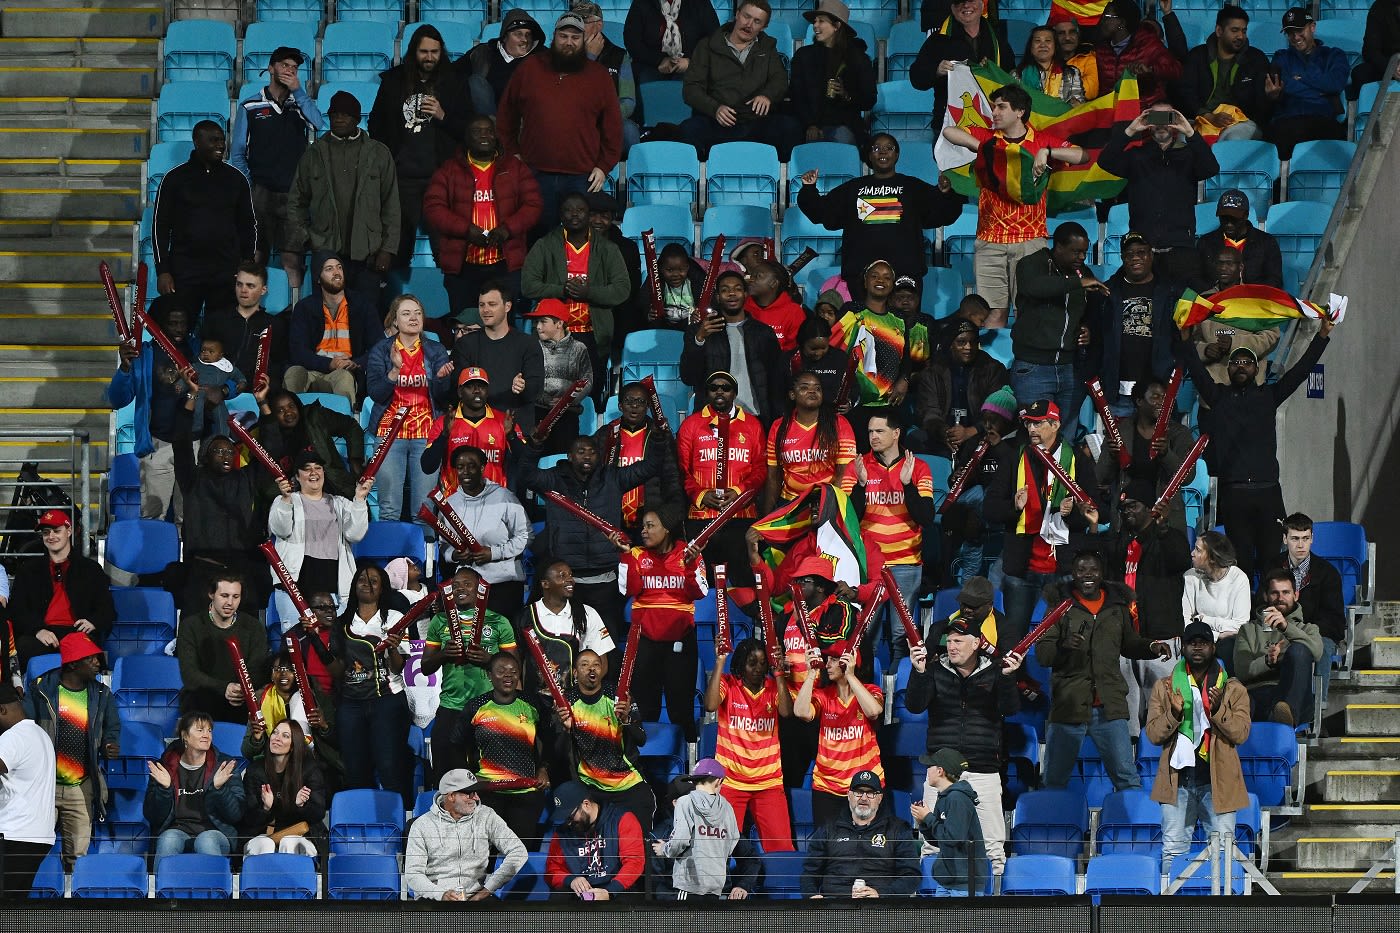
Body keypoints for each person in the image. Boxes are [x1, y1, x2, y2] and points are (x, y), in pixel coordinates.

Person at [1177, 315, 1333, 575]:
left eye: (1247, 362)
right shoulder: (1217, 397)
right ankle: (1245, 615)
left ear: (1256, 368)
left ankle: (1269, 613)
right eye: (1235, 362)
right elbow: (1195, 367)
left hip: (1268, 493)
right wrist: (1184, 340)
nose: (1241, 366)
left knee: (1272, 562)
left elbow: (1302, 370)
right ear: (1227, 369)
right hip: (1234, 493)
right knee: (1241, 564)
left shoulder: (1269, 396)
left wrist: (1323, 335)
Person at [940, 84, 1085, 329]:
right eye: (994, 106)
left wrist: (1047, 152)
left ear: (1020, 111)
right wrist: (986, 150)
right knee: (992, 314)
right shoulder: (987, 137)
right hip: (990, 241)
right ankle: (993, 367)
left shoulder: (1041, 140)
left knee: (1027, 313)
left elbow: (1082, 155)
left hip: (1030, 242)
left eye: (1001, 107)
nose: (994, 112)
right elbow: (950, 132)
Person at [1038, 550, 1173, 790]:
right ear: (1073, 574)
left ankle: (1130, 824)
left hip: (1109, 708)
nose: (1087, 575)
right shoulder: (1059, 608)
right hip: (1069, 708)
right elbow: (1043, 654)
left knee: (1128, 780)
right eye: (1081, 570)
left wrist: (1152, 646)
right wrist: (1063, 646)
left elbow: (1129, 643)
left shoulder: (1117, 607)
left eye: (1093, 570)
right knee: (1053, 782)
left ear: (1102, 574)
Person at [905, 619, 1020, 877]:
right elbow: (914, 705)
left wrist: (1008, 679)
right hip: (942, 771)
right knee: (932, 844)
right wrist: (919, 672)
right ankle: (929, 905)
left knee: (992, 846)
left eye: (958, 641)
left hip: (984, 769)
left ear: (977, 643)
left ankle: (996, 907)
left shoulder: (996, 671)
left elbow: (1010, 709)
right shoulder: (934, 669)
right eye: (949, 640)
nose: (951, 646)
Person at [496, 12, 623, 237]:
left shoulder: (599, 76)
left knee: (576, 242)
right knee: (534, 237)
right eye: (563, 36)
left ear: (583, 40)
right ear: (554, 37)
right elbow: (506, 115)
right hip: (535, 172)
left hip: (581, 177)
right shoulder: (530, 68)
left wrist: (604, 166)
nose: (569, 42)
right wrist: (512, 152)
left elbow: (612, 127)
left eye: (575, 37)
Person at [985, 400, 1100, 647]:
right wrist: (1014, 507)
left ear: (1056, 424)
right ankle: (1020, 684)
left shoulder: (1077, 460)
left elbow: (1096, 511)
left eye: (1038, 424)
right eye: (1028, 424)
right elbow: (990, 508)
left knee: (1070, 639)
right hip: (1022, 567)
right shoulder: (1014, 458)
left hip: (1065, 568)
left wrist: (1072, 514)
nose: (1032, 430)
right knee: (1015, 640)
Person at [1145, 618, 1252, 871]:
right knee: (1172, 851)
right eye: (1191, 643)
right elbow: (1152, 734)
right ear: (1183, 647)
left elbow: (1241, 734)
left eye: (1203, 643)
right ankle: (1171, 910)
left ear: (1213, 648)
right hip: (1177, 781)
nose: (1197, 648)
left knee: (1223, 851)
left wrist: (1217, 711)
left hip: (1219, 782)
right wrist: (1173, 713)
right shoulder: (1166, 687)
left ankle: (1222, 909)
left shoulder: (1232, 688)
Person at [368, 24, 470, 269]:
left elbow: (469, 130)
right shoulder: (394, 81)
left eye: (434, 52)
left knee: (446, 250)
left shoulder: (454, 83)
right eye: (424, 51)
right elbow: (376, 123)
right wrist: (388, 160)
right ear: (414, 52)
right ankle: (396, 304)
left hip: (441, 177)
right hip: (401, 177)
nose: (429, 57)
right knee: (396, 250)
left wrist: (443, 116)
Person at [424, 114, 543, 324]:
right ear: (466, 138)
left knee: (503, 328)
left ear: (496, 136)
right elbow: (433, 208)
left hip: (504, 264)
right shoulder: (449, 170)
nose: (484, 136)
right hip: (463, 266)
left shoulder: (514, 168)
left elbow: (533, 205)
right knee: (464, 326)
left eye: (489, 131)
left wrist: (507, 229)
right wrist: (465, 229)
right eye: (477, 132)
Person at [287, 92, 400, 300]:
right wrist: (308, 238)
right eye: (334, 114)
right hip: (326, 251)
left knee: (365, 318)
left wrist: (387, 249)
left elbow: (391, 206)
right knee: (326, 317)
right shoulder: (314, 154)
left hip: (369, 254)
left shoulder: (379, 153)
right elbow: (296, 201)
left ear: (357, 119)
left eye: (345, 115)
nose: (338, 119)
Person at [839, 410, 934, 658]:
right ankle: (866, 691)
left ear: (896, 433)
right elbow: (847, 520)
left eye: (879, 431)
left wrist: (907, 486)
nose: (873, 436)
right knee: (864, 635)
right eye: (870, 431)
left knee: (901, 638)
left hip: (906, 563)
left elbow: (926, 517)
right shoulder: (856, 467)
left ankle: (896, 692)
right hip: (869, 566)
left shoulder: (918, 467)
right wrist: (860, 487)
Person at [21, 632, 119, 870]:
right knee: (32, 852)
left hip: (81, 785)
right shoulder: (41, 690)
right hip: (45, 785)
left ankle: (74, 905)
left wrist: (108, 743)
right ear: (73, 663)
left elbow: (112, 727)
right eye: (91, 659)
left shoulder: (101, 693)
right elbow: (26, 731)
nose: (98, 662)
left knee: (78, 859)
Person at [230, 47, 321, 296]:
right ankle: (250, 314)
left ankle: (292, 315)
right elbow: (237, 152)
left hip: (294, 195)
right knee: (255, 256)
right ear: (271, 68)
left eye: (294, 67)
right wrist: (250, 187)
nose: (289, 71)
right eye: (284, 65)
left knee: (292, 259)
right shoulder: (251, 105)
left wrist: (298, 91)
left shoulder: (298, 104)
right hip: (260, 192)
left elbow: (318, 123)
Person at [522, 193, 630, 398]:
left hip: (593, 334)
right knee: (550, 394)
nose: (574, 215)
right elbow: (528, 286)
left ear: (588, 214)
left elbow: (622, 289)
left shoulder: (607, 249)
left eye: (580, 210)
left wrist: (589, 293)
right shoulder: (544, 246)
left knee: (589, 393)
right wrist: (562, 290)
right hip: (554, 334)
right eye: (568, 210)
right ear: (560, 215)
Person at [1097, 105, 1220, 283]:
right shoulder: (1136, 156)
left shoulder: (1188, 155)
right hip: (1143, 249)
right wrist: (1131, 130)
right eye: (1156, 118)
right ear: (1148, 122)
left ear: (1175, 121)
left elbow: (1211, 168)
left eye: (1167, 118)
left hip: (1180, 249)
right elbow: (1105, 161)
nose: (1161, 124)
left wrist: (1190, 132)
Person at [421, 565, 517, 782]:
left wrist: (489, 660)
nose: (460, 589)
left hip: (488, 707)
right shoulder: (440, 621)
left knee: (487, 775)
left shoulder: (499, 621)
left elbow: (515, 666)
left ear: (479, 590)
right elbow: (426, 667)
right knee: (446, 777)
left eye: (467, 584)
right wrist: (443, 654)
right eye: (455, 585)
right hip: (450, 707)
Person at [106, 300, 200, 521]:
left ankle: (187, 556)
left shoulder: (198, 351)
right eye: (172, 323)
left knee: (190, 517)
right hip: (158, 443)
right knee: (152, 514)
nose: (179, 329)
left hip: (193, 443)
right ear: (158, 326)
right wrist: (125, 367)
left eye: (183, 323)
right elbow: (118, 399)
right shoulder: (143, 355)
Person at [619, 505, 706, 740]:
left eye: (650, 525)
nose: (644, 531)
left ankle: (687, 766)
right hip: (644, 642)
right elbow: (628, 589)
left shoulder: (689, 553)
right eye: (643, 526)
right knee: (645, 709)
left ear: (666, 529)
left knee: (681, 708)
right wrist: (626, 554)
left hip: (681, 641)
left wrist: (690, 565)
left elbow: (700, 592)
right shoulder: (636, 554)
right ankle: (643, 766)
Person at [152, 120, 256, 318]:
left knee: (220, 336)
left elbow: (248, 225)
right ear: (197, 141)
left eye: (222, 140)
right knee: (179, 332)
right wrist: (162, 270)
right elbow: (160, 227)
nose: (220, 145)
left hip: (226, 271)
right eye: (213, 140)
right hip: (185, 271)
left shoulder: (236, 179)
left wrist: (247, 262)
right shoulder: (175, 179)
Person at [365, 294, 454, 522]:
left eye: (417, 313)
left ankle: (425, 558)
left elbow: (443, 396)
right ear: (395, 320)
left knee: (424, 511)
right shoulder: (381, 350)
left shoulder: (435, 350)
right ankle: (390, 558)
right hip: (389, 435)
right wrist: (394, 372)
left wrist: (442, 379)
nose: (413, 318)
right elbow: (376, 392)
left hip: (426, 436)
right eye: (406, 313)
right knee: (389, 509)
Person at [332, 564, 415, 807]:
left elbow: (399, 667)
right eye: (362, 579)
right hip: (351, 703)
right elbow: (337, 671)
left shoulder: (396, 619)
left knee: (389, 765)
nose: (367, 584)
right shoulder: (342, 623)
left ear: (383, 588)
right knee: (355, 767)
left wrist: (391, 647)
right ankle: (363, 822)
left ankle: (399, 824)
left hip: (388, 702)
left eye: (374, 580)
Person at [703, 638, 793, 851]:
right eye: (752, 663)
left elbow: (787, 712)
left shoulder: (773, 688)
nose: (757, 669)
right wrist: (719, 661)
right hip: (731, 782)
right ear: (741, 664)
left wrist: (779, 674)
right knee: (719, 848)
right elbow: (710, 705)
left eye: (763, 663)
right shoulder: (728, 683)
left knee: (781, 849)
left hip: (768, 782)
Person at [458, 652, 555, 847]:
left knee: (520, 853)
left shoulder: (533, 704)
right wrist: (469, 778)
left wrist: (544, 769)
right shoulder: (476, 707)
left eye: (513, 671)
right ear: (489, 675)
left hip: (525, 791)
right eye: (501, 671)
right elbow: (457, 745)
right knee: (486, 853)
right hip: (488, 792)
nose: (508, 675)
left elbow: (551, 740)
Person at [680, 0, 798, 159]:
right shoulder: (707, 46)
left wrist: (767, 95)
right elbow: (691, 89)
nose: (749, 24)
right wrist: (715, 108)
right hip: (717, 121)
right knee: (689, 129)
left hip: (756, 122)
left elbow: (780, 79)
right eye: (746, 17)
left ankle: (784, 181)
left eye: (757, 21)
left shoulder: (767, 47)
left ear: (764, 27)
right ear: (737, 14)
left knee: (790, 127)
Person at [269, 451, 372, 626]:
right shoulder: (285, 500)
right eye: (307, 469)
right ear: (297, 476)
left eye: (318, 468)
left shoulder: (340, 503)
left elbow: (356, 534)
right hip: (295, 588)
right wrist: (286, 499)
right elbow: (281, 529)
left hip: (334, 588)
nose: (313, 472)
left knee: (335, 643)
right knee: (298, 640)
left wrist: (360, 499)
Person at [829, 260, 928, 441]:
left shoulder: (898, 318)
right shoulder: (852, 311)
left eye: (887, 277)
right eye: (874, 276)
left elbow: (905, 358)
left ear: (892, 284)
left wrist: (904, 380)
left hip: (889, 404)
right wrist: (846, 395)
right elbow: (835, 354)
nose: (880, 280)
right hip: (856, 404)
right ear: (865, 282)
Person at [561, 649, 654, 830]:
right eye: (585, 665)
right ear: (575, 672)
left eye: (596, 664)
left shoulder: (618, 696)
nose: (591, 669)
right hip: (591, 788)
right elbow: (558, 752)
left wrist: (626, 720)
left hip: (628, 784)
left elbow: (641, 738)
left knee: (638, 844)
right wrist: (565, 730)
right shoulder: (567, 702)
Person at [8, 510, 115, 667]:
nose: (51, 536)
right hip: (42, 633)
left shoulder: (90, 569)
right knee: (24, 647)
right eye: (46, 533)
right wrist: (37, 631)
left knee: (86, 656)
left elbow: (107, 609)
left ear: (69, 531)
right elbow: (17, 610)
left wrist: (93, 622)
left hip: (77, 633)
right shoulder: (28, 570)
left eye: (57, 531)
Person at [434, 445, 532, 616]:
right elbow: (443, 544)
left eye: (471, 466)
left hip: (502, 583)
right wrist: (454, 555)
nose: (465, 471)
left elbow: (526, 535)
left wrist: (494, 553)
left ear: (482, 467)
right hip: (466, 586)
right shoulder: (449, 503)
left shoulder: (504, 497)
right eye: (460, 467)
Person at [793, 645, 884, 825]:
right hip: (827, 787)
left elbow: (874, 711)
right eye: (827, 660)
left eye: (834, 660)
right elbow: (801, 712)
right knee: (829, 848)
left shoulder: (871, 690)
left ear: (848, 662)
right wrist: (811, 674)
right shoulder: (823, 696)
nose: (827, 664)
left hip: (865, 786)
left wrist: (850, 675)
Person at [404, 767, 528, 900]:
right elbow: (413, 874)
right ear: (451, 796)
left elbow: (518, 852)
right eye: (469, 793)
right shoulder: (422, 825)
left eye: (476, 792)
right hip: (434, 897)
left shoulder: (487, 816)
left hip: (475, 896)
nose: (475, 798)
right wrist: (440, 894)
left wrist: (487, 889)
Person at [1095, 233, 1184, 415]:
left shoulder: (1171, 292)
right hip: (1118, 393)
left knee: (1159, 444)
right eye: (1129, 254)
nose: (1135, 257)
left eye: (1141, 252)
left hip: (1158, 392)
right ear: (1122, 258)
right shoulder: (1106, 293)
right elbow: (1097, 339)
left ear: (1151, 255)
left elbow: (1181, 338)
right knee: (1120, 444)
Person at [680, 269, 786, 421]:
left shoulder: (763, 333)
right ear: (717, 297)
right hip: (713, 418)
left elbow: (777, 379)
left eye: (737, 289)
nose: (731, 293)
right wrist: (700, 339)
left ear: (745, 294)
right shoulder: (699, 331)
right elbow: (688, 377)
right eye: (725, 290)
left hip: (755, 418)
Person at [145, 711, 245, 867]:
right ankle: (162, 890)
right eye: (200, 730)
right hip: (177, 829)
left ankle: (215, 890)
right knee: (168, 840)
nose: (206, 735)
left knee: (206, 841)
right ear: (185, 735)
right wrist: (164, 789)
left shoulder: (224, 765)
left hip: (215, 832)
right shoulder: (164, 767)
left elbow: (236, 815)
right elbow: (153, 817)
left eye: (209, 730)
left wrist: (219, 789)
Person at [940, 389, 1019, 586]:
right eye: (985, 419)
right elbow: (964, 475)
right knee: (971, 513)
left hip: (1004, 506)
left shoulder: (1017, 444)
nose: (988, 426)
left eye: (995, 420)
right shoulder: (976, 442)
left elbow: (1016, 477)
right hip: (976, 513)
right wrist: (955, 477)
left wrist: (998, 446)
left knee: (977, 500)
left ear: (1007, 421)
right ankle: (964, 586)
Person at [801, 769, 921, 898]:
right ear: (849, 795)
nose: (864, 798)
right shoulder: (828, 829)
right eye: (859, 792)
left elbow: (911, 875)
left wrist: (882, 895)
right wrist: (811, 896)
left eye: (870, 793)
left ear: (880, 798)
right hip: (835, 907)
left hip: (880, 907)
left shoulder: (898, 829)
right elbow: (810, 873)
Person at [283, 252, 384, 405]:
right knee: (293, 374)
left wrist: (356, 363)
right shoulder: (305, 308)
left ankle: (345, 426)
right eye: (329, 269)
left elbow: (380, 346)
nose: (336, 273)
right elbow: (297, 351)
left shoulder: (363, 305)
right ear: (318, 277)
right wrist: (328, 364)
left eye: (339, 268)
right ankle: (294, 427)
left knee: (343, 378)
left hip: (345, 371)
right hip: (311, 370)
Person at [1268, 513, 1346, 702]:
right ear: (1285, 539)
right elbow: (1263, 605)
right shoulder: (1272, 567)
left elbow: (1334, 619)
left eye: (1306, 538)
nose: (1301, 545)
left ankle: (1317, 710)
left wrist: (1302, 633)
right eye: (1295, 539)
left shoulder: (1328, 573)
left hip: (1317, 632)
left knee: (1323, 647)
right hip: (1279, 629)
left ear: (1312, 539)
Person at [1095, 377, 1194, 523]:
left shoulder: (1180, 433)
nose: (1162, 402)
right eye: (1155, 397)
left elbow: (1187, 478)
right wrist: (1111, 455)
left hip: (1165, 518)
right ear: (1139, 401)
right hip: (1127, 516)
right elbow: (1101, 478)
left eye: (1165, 398)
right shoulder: (1120, 431)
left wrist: (1167, 454)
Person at [592, 381, 684, 536]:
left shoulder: (660, 436)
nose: (635, 406)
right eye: (629, 401)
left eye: (641, 402)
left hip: (650, 523)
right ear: (620, 406)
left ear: (648, 406)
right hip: (614, 522)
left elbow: (672, 479)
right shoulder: (605, 434)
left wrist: (665, 518)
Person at [177, 572, 269, 722]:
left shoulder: (253, 627)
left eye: (235, 597)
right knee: (196, 698)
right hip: (203, 698)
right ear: (211, 594)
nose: (230, 603)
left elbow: (257, 670)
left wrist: (240, 689)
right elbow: (189, 674)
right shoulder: (191, 625)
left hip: (241, 697)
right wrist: (224, 687)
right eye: (224, 596)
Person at [1235, 570, 1323, 726]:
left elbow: (1317, 652)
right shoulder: (1248, 630)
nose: (1280, 598)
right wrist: (1267, 661)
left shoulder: (1309, 629)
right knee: (1243, 702)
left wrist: (1286, 627)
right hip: (1259, 695)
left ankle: (1288, 715)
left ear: (1296, 595)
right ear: (1266, 596)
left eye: (1286, 592)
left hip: (1295, 696)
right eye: (1274, 593)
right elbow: (1242, 671)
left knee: (1299, 650)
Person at [911, 0, 1014, 129]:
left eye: (971, 0)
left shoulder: (998, 41)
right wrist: (937, 70)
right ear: (952, 8)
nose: (966, 5)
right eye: (959, 2)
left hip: (992, 122)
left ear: (983, 5)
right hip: (949, 123)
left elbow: (1009, 80)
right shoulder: (938, 40)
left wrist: (992, 72)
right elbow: (916, 79)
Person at [763, 372, 858, 512]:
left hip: (827, 501)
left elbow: (845, 473)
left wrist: (831, 507)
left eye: (817, 388)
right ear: (792, 395)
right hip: (790, 502)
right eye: (804, 387)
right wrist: (766, 518)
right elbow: (773, 477)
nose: (812, 391)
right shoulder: (779, 427)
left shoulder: (839, 423)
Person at [450, 281, 546, 420]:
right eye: (481, 305)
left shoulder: (528, 344)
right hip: (476, 426)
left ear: (507, 306)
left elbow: (535, 389)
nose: (485, 310)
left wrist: (523, 387)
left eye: (492, 304)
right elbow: (458, 388)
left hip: (515, 426)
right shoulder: (465, 344)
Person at [520, 560, 617, 695]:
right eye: (562, 575)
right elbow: (517, 661)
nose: (570, 580)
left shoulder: (588, 614)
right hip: (534, 701)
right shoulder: (525, 616)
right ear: (545, 584)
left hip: (575, 700)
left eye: (570, 575)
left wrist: (586, 696)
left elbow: (602, 663)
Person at [1263, 8, 1349, 159]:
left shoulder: (1334, 55)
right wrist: (1320, 89)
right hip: (1288, 120)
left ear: (1312, 27)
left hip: (1322, 119)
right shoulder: (1281, 57)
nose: (1295, 37)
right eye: (1290, 32)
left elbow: (1335, 84)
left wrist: (1300, 78)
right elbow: (1284, 86)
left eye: (1300, 30)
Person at [914, 321, 1008, 457]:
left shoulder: (992, 369)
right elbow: (929, 412)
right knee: (916, 439)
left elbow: (998, 409)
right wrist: (946, 433)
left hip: (980, 433)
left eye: (973, 342)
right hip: (942, 433)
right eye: (961, 342)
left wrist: (972, 431)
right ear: (950, 345)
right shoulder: (933, 371)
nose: (968, 347)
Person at [1178, 6, 1272, 141]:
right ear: (1219, 31)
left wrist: (1271, 97)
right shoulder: (1197, 56)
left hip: (1242, 122)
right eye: (1234, 30)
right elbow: (1186, 93)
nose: (1240, 36)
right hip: (1201, 119)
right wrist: (1208, 116)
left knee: (1232, 140)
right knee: (1182, 139)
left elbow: (1261, 107)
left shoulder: (1256, 59)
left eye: (1244, 31)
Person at [649, 758, 740, 898]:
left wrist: (665, 849)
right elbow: (733, 840)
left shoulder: (685, 802)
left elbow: (680, 840)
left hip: (690, 883)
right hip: (716, 884)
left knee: (689, 920)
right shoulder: (727, 807)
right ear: (718, 781)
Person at [789, 0, 877, 146]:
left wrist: (846, 95)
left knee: (843, 138)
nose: (815, 25)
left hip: (844, 124)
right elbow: (796, 95)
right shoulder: (803, 55)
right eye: (815, 21)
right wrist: (811, 124)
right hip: (805, 124)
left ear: (837, 26)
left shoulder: (858, 59)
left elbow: (869, 99)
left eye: (821, 21)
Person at [255, 388, 364, 500]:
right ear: (273, 416)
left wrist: (355, 460)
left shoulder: (314, 417)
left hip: (334, 488)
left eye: (291, 406)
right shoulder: (269, 436)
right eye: (280, 411)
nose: (288, 413)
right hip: (295, 500)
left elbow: (351, 426)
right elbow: (267, 487)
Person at [241, 718, 328, 857]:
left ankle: (290, 879)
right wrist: (265, 809)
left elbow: (318, 813)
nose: (277, 738)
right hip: (262, 834)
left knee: (289, 842)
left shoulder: (309, 770)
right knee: (265, 844)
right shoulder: (255, 770)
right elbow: (247, 818)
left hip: (303, 835)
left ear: (293, 745)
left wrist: (301, 806)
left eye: (285, 736)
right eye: (275, 733)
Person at [545, 780, 646, 899]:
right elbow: (552, 869)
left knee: (629, 897)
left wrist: (610, 891)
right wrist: (570, 880)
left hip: (615, 888)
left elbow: (634, 862)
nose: (568, 823)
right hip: (580, 892)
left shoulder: (622, 819)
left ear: (586, 804)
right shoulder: (563, 832)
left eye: (570, 817)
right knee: (558, 896)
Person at [0, 682, 56, 897]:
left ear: (2, 709)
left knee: (6, 904)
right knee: (14, 903)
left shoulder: (14, 737)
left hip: (15, 834)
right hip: (35, 836)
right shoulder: (39, 734)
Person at [911, 748, 989, 896]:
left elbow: (953, 838)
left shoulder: (957, 798)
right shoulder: (946, 797)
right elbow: (939, 840)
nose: (927, 770)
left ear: (940, 771)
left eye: (930, 766)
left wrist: (928, 817)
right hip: (948, 881)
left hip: (965, 884)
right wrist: (922, 822)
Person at [202, 263, 287, 393]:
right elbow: (203, 357)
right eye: (239, 284)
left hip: (256, 392)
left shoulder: (274, 325)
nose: (243, 290)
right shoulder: (216, 320)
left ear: (263, 290)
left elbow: (277, 366)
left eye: (250, 286)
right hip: (216, 388)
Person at [572, 2, 641, 152]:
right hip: (574, 118)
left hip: (610, 117)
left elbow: (628, 101)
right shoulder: (565, 54)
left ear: (599, 25)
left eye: (583, 21)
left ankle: (632, 174)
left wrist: (605, 116)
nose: (577, 27)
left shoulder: (618, 55)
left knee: (629, 130)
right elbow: (568, 92)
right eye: (575, 21)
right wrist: (589, 58)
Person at [1094, 0, 1183, 107]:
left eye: (1107, 16)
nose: (1102, 20)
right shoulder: (1101, 49)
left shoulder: (1148, 43)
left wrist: (1150, 70)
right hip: (1110, 113)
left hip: (1145, 112)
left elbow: (1176, 70)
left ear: (1122, 23)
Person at [460, 9, 546, 116]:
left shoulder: (543, 56)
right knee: (476, 83)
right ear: (505, 37)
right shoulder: (483, 52)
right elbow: (452, 74)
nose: (524, 40)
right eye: (518, 34)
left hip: (528, 121)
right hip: (489, 123)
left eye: (528, 35)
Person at [1196, 189, 1285, 290]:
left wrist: (1245, 294)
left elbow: (1275, 281)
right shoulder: (1206, 242)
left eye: (1234, 218)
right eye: (1224, 218)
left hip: (1253, 302)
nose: (1229, 223)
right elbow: (1196, 279)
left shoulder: (1267, 243)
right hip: (1214, 301)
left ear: (1246, 216)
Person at [625, 0, 719, 84]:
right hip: (650, 64)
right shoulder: (641, 3)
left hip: (691, 64)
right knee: (648, 86)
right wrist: (659, 61)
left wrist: (690, 61)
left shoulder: (700, 3)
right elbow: (632, 42)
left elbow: (714, 40)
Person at [182, 336, 246, 440]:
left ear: (220, 355)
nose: (205, 353)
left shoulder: (226, 366)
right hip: (200, 391)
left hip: (217, 396)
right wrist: (180, 385)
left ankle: (223, 436)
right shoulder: (197, 365)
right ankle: (196, 429)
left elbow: (237, 375)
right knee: (197, 407)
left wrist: (242, 382)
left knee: (222, 414)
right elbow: (187, 377)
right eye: (203, 350)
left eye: (211, 352)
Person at [743, 260, 806, 354]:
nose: (751, 279)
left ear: (773, 283)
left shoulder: (793, 312)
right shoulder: (742, 307)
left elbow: (794, 350)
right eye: (752, 275)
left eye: (758, 276)